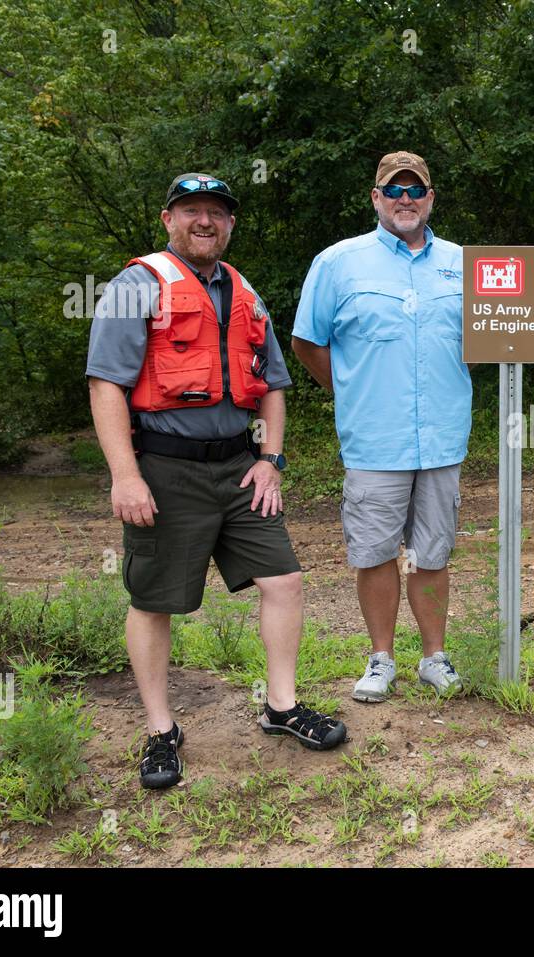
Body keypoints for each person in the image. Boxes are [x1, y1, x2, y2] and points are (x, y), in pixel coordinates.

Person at [87, 172, 348, 790]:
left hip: (240, 467)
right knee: (154, 600)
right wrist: (125, 475)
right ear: (168, 219)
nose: (205, 221)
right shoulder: (137, 285)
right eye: (192, 211)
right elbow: (105, 385)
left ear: (230, 224)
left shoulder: (243, 290)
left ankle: (281, 707)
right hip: (165, 468)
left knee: (283, 579)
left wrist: (271, 460)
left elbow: (275, 388)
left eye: (217, 213)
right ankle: (160, 731)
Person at [291, 151, 471, 703]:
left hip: (441, 439)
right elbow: (306, 341)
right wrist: (349, 392)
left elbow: (507, 337)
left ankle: (433, 658)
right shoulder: (338, 263)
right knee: (373, 553)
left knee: (432, 553)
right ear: (376, 198)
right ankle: (381, 659)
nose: (405, 200)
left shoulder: (467, 264)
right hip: (374, 441)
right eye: (394, 190)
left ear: (431, 198)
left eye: (416, 189)